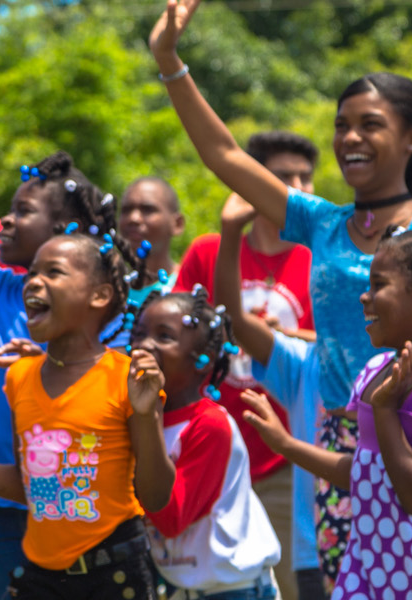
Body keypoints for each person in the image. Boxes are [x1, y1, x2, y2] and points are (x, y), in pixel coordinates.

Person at [150, 0, 412, 586]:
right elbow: (225, 156)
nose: (350, 137)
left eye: (370, 124)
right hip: (340, 441)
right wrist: (168, 59)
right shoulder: (322, 222)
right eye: (341, 125)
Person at [241, 230, 412, 598]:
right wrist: (285, 444)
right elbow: (365, 472)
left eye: (378, 284)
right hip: (375, 569)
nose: (364, 295)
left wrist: (385, 408)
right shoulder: (375, 371)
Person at [0, 233, 174, 600]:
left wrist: (146, 416)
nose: (34, 281)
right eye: (32, 273)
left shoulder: (127, 378)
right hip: (41, 579)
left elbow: (155, 497)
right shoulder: (19, 377)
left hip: (114, 575)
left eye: (54, 272)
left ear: (100, 296)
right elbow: (28, 486)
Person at [173, 132, 319, 600]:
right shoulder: (207, 252)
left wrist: (282, 337)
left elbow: (341, 348)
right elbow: (173, 332)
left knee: (298, 585)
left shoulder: (320, 258)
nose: (295, 188)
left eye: (304, 178)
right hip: (213, 453)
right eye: (281, 177)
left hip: (289, 458)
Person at [123, 287, 282, 600]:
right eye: (138, 333)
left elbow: (170, 519)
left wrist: (147, 417)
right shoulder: (138, 412)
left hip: (233, 590)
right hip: (181, 587)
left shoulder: (209, 424)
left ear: (202, 361)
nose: (143, 345)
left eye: (164, 336)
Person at [215, 197, 329, 600]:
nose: (364, 298)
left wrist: (285, 445)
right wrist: (231, 235)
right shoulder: (307, 365)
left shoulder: (394, 370)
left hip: (383, 553)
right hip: (314, 556)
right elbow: (236, 321)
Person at [106, 176, 184, 350]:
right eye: (126, 210)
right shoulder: (103, 291)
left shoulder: (188, 287)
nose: (133, 218)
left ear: (177, 224)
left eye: (148, 210)